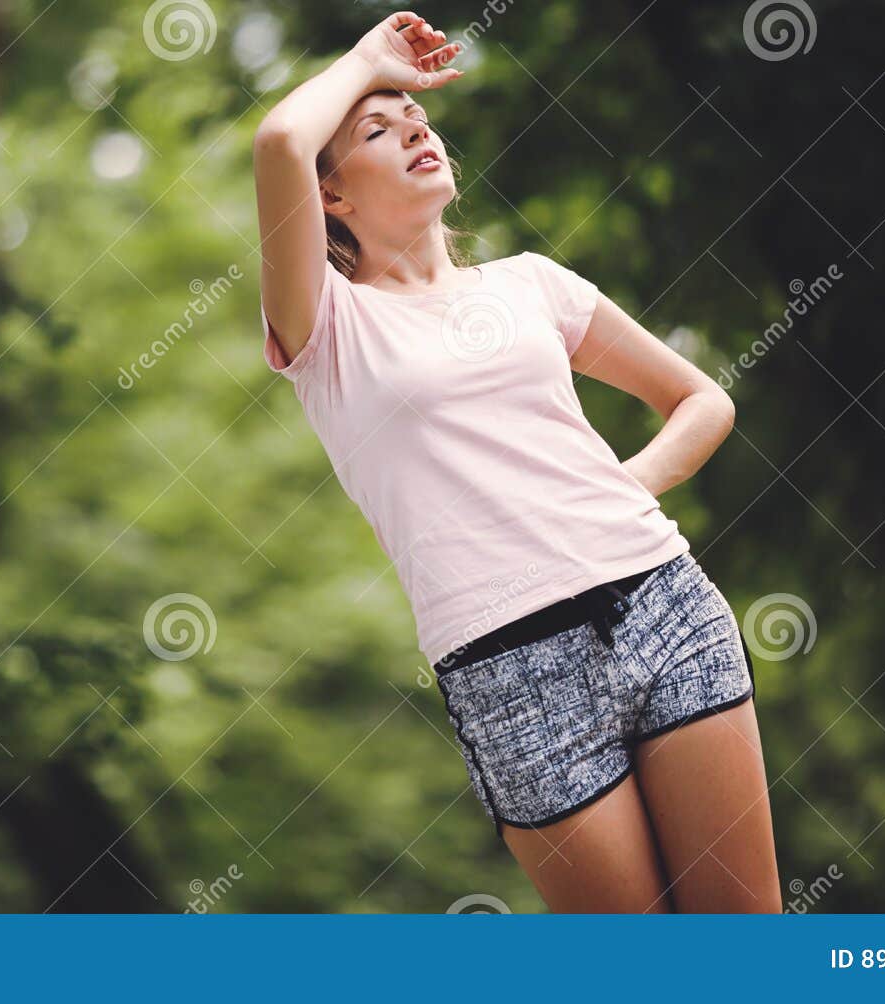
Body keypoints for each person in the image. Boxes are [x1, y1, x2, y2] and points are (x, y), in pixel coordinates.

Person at [252, 10, 780, 913]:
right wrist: (374, 62)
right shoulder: (329, 330)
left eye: (417, 118)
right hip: (508, 664)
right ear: (330, 196)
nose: (416, 126)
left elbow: (704, 400)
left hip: (661, 600)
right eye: (377, 131)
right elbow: (278, 140)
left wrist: (623, 487)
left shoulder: (531, 283)